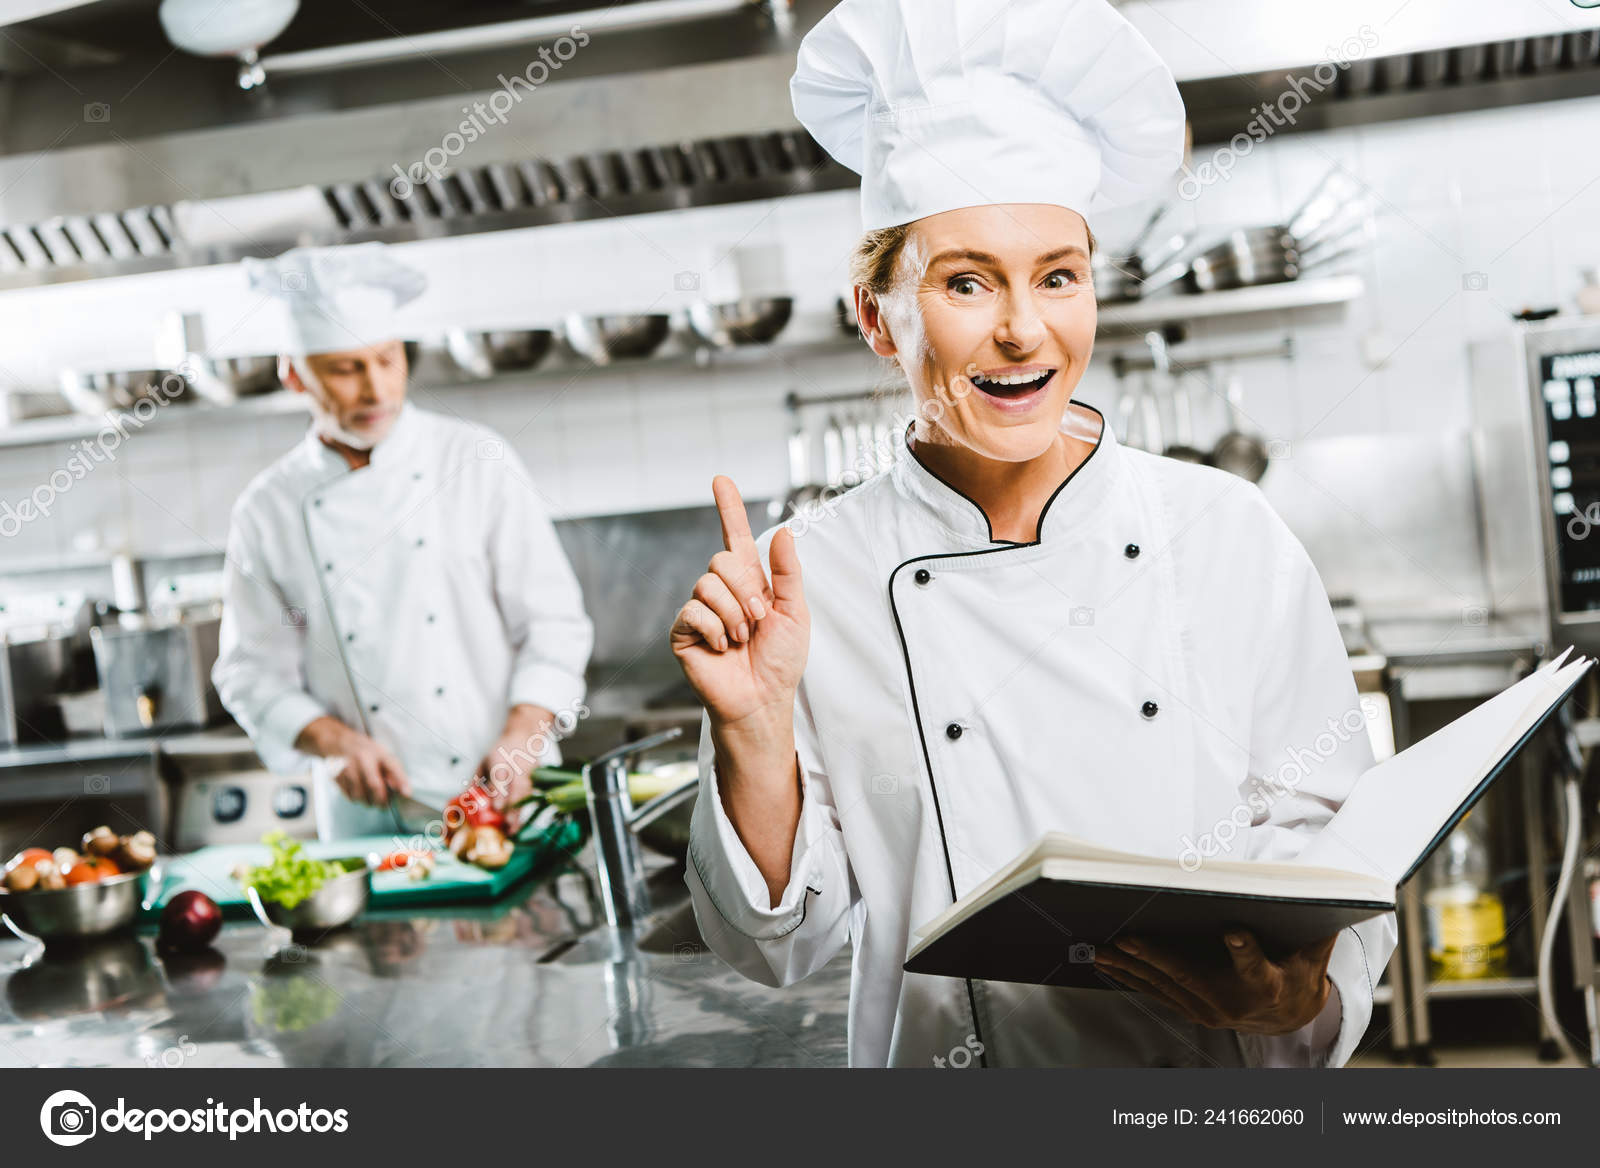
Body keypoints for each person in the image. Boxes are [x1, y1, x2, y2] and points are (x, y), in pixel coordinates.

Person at [671, 0, 1395, 1067]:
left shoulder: (1222, 529)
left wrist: (1299, 993)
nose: (1024, 328)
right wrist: (753, 732)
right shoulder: (805, 578)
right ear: (879, 318)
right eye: (966, 282)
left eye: (1058, 275)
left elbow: (1332, 857)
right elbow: (778, 946)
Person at [213, 243, 592, 840]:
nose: (375, 390)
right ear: (294, 373)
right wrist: (332, 742)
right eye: (345, 369)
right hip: (375, 823)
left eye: (388, 360)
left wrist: (525, 731)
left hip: (511, 796)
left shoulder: (475, 460)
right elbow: (250, 672)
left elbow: (554, 624)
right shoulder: (268, 509)